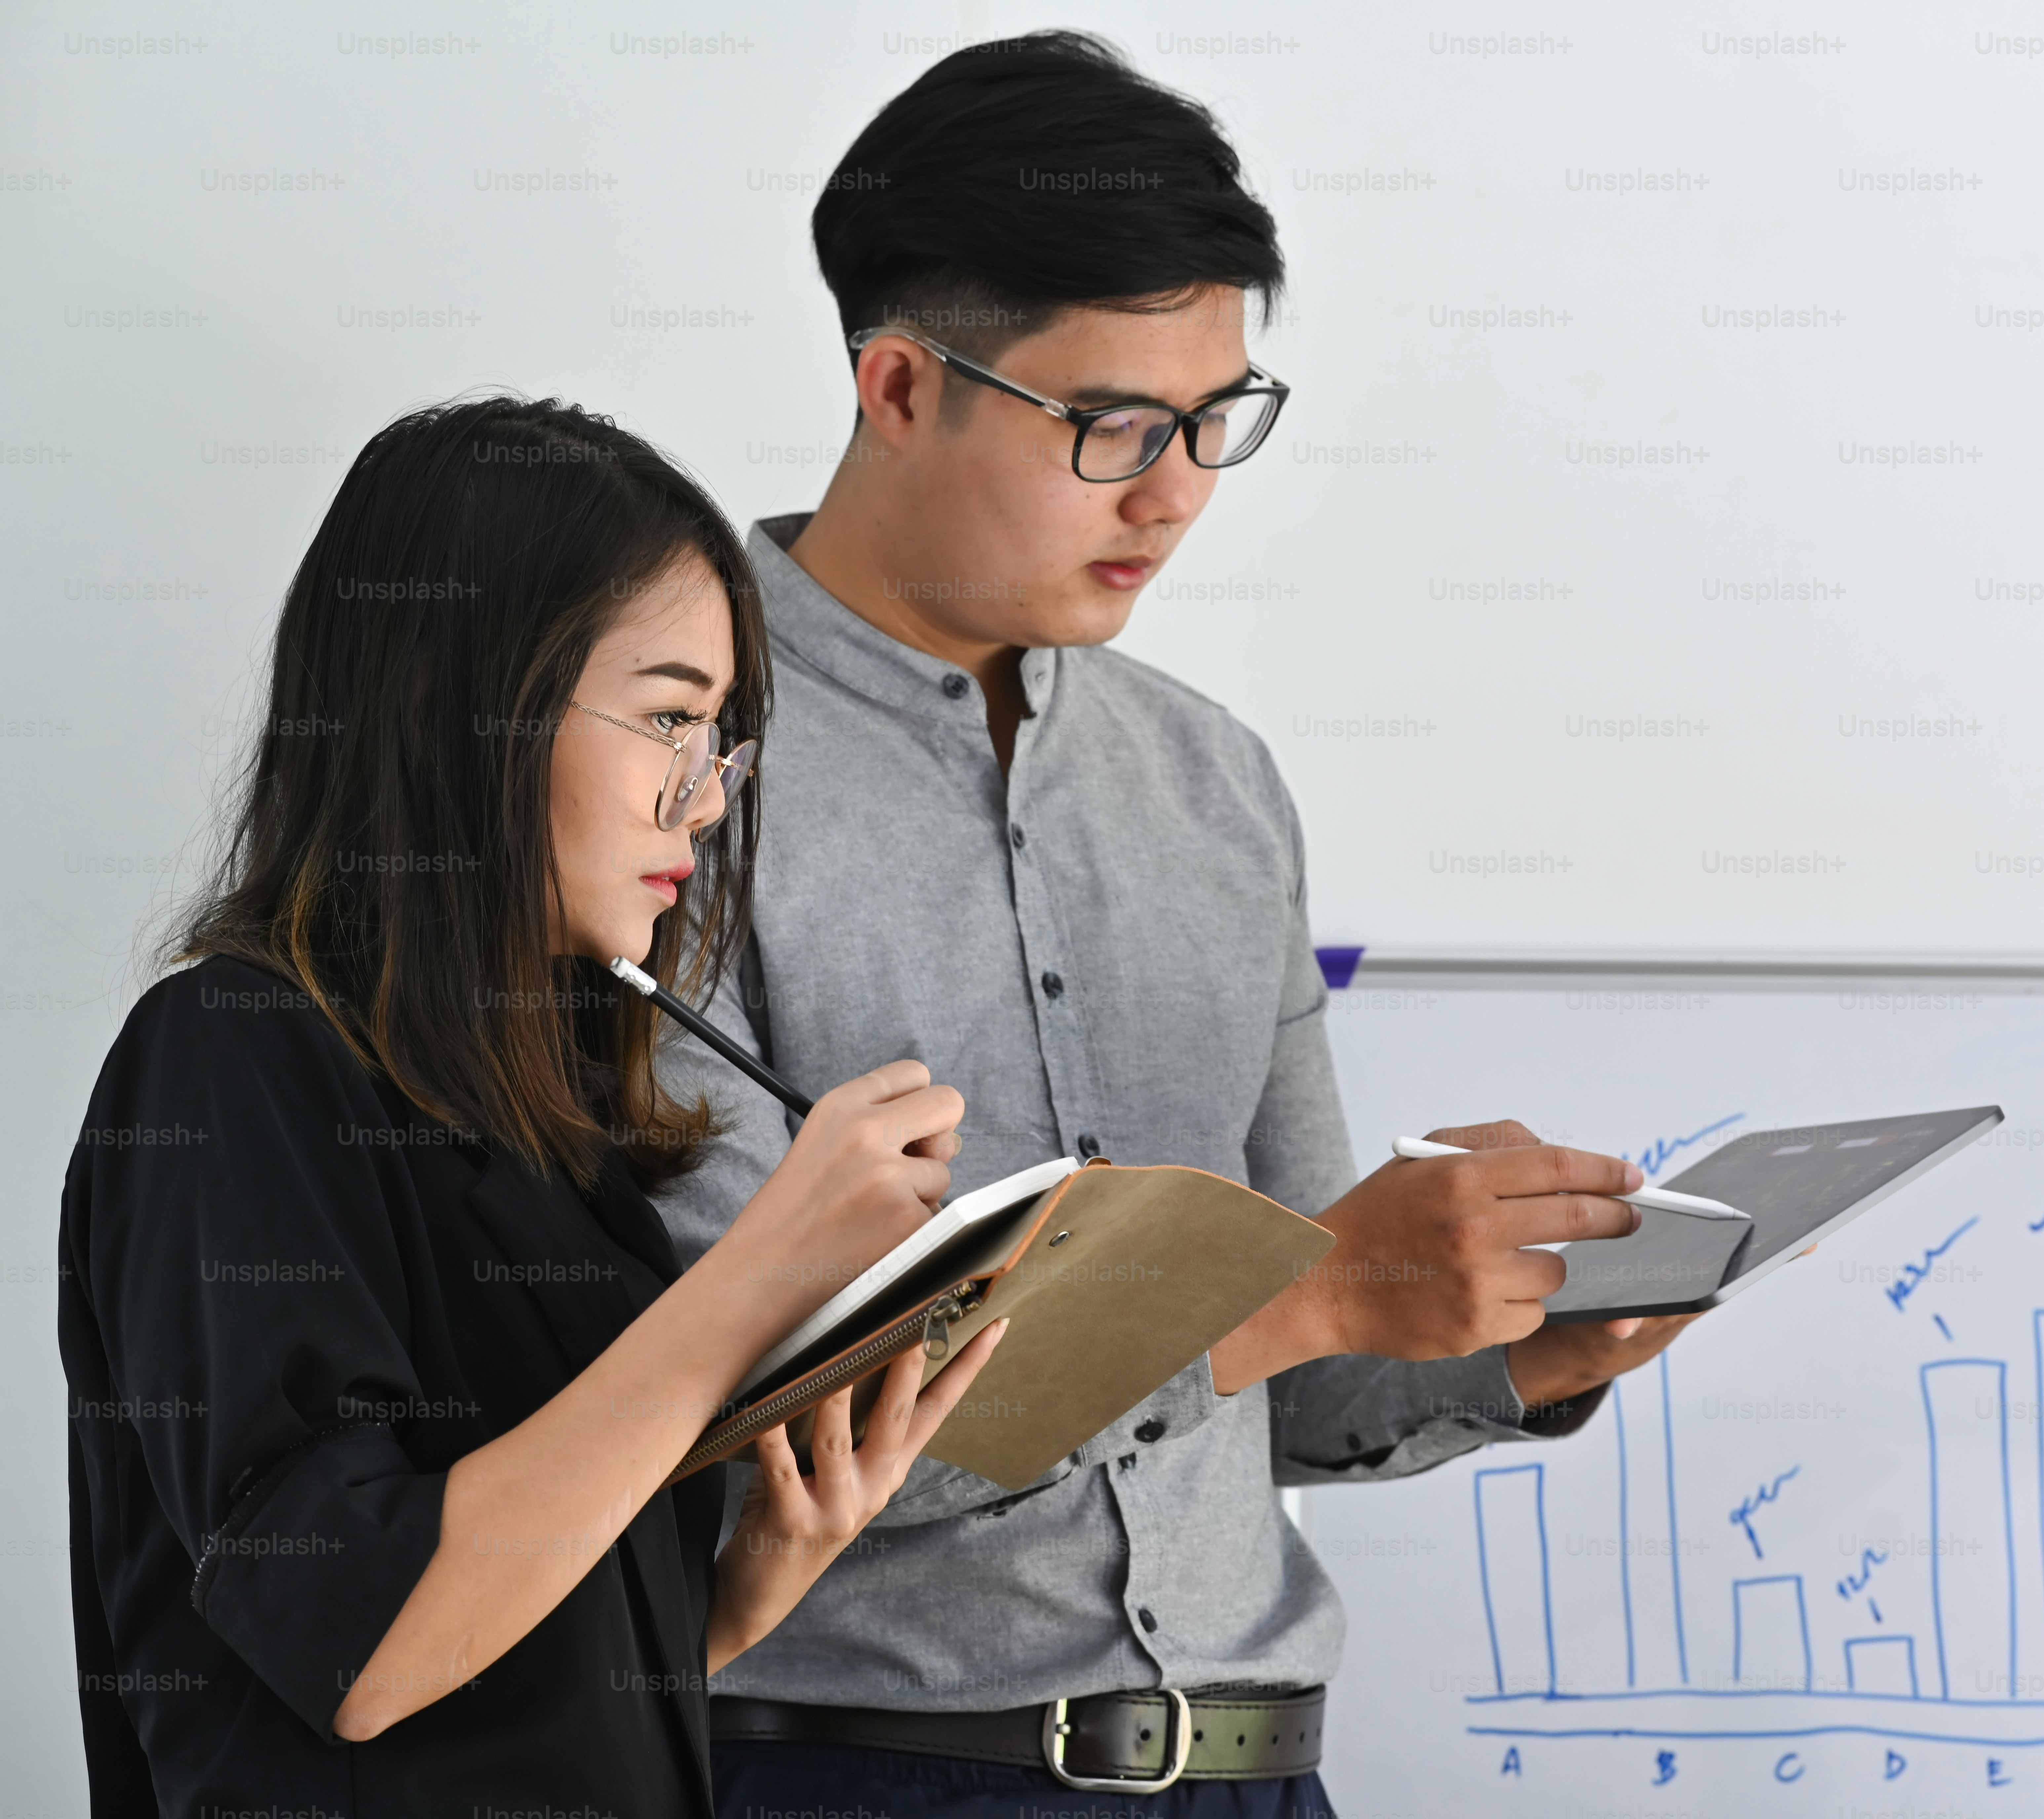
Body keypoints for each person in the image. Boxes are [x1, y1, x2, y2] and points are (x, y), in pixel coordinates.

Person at [650, 34, 1696, 1817]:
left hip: (1261, 1770)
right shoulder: (667, 768)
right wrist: (1316, 1289)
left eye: (1220, 420)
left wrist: (1524, 1348)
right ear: (898, 386)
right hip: (862, 1773)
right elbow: (755, 1428)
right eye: (1119, 426)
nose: (1181, 489)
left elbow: (1293, 1375)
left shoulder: (1214, 781)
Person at [60, 395, 1003, 1817]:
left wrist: (745, 1586)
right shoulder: (229, 1057)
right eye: (671, 717)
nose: (705, 801)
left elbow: (512, 1684)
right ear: (465, 707)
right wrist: (755, 1281)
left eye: (721, 737)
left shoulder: (547, 1125)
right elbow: (362, 1645)